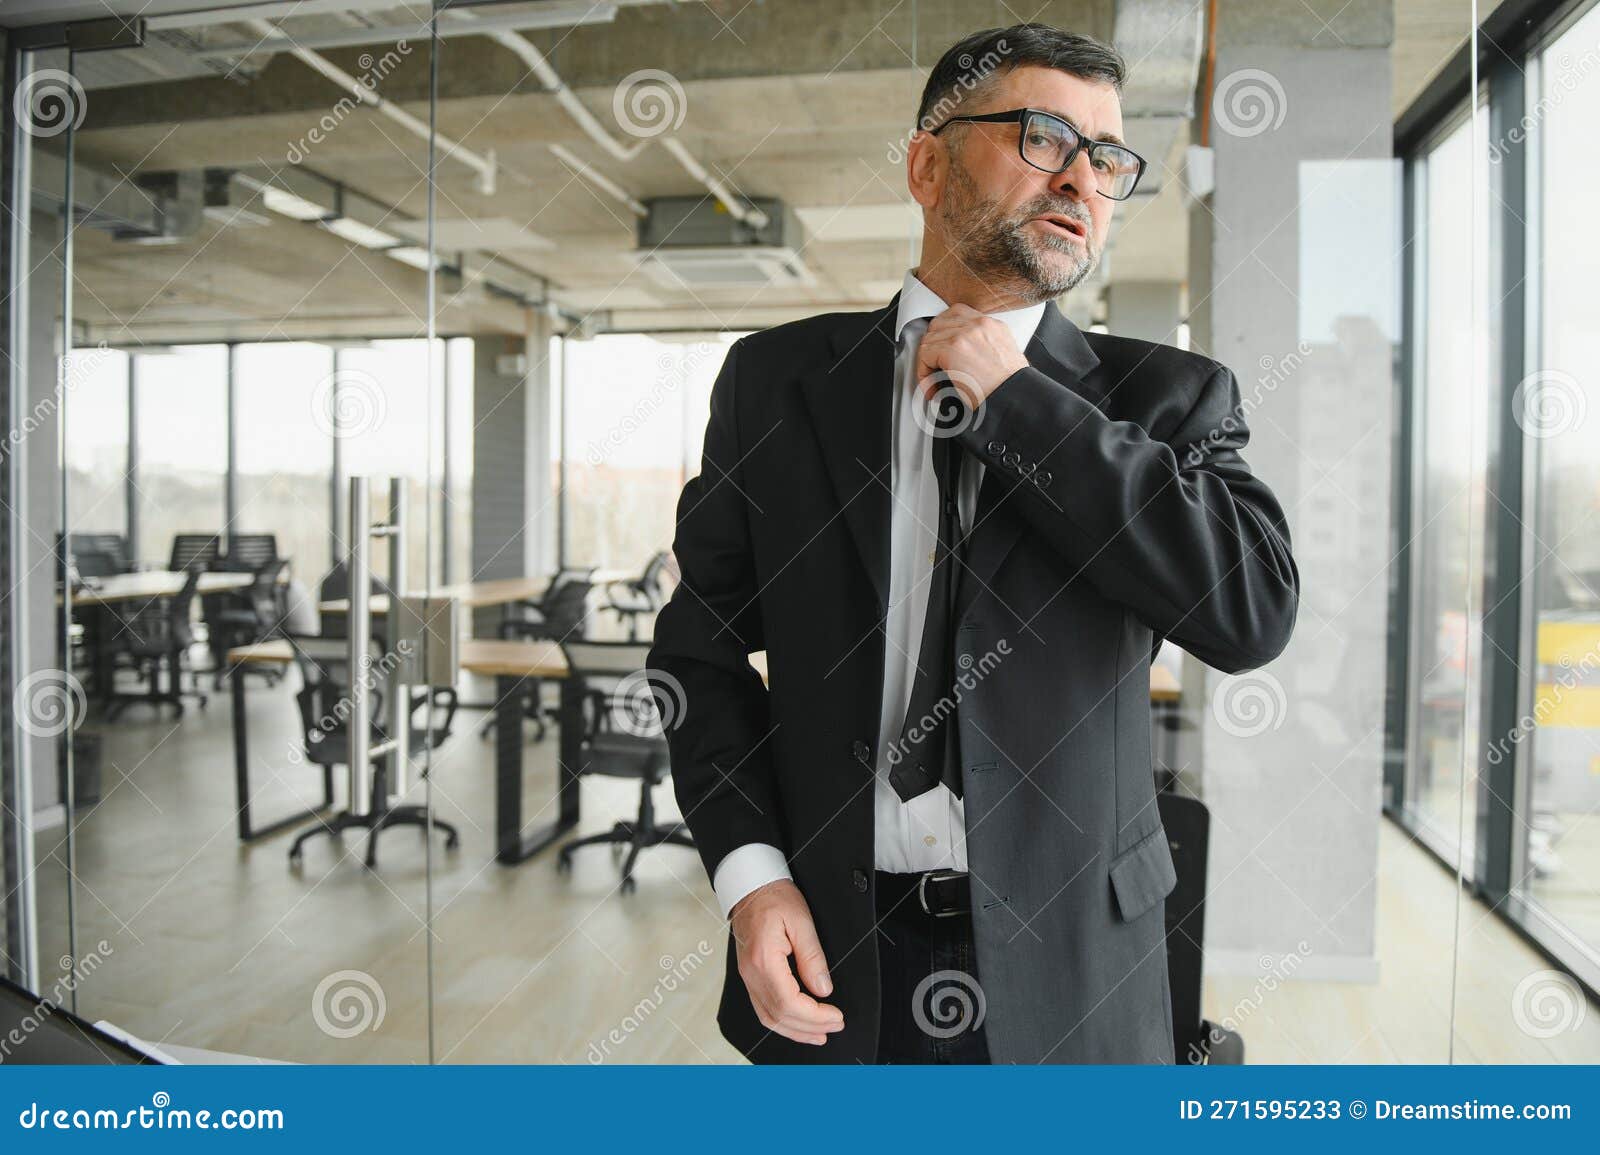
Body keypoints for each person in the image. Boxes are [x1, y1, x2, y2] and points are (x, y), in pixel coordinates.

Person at [646, 22, 1299, 1065]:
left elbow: (1250, 613)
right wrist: (751, 876)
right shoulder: (775, 384)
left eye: (1108, 157)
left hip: (1075, 971)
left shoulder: (1166, 399)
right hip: (830, 955)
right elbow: (698, 655)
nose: (1084, 178)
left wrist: (1024, 406)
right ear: (925, 163)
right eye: (1044, 137)